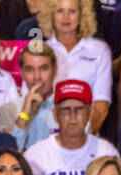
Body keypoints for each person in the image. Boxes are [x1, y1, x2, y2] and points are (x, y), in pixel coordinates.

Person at [23, 80, 118, 175]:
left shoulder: (106, 152)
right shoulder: (36, 156)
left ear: (90, 112)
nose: (73, 116)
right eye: (66, 110)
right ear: (55, 114)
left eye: (79, 109)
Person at [41, 0, 113, 135]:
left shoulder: (99, 50)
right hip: (44, 137)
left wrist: (77, 139)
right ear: (50, 14)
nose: (66, 17)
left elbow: (101, 107)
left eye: (72, 11)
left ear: (82, 15)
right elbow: (30, 103)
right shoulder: (40, 51)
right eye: (60, 11)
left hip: (85, 138)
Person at [6, 44, 60, 152]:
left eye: (44, 68)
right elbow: (10, 155)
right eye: (29, 69)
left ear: (54, 70)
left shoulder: (70, 107)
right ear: (21, 72)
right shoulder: (8, 111)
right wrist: (24, 115)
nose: (37, 77)